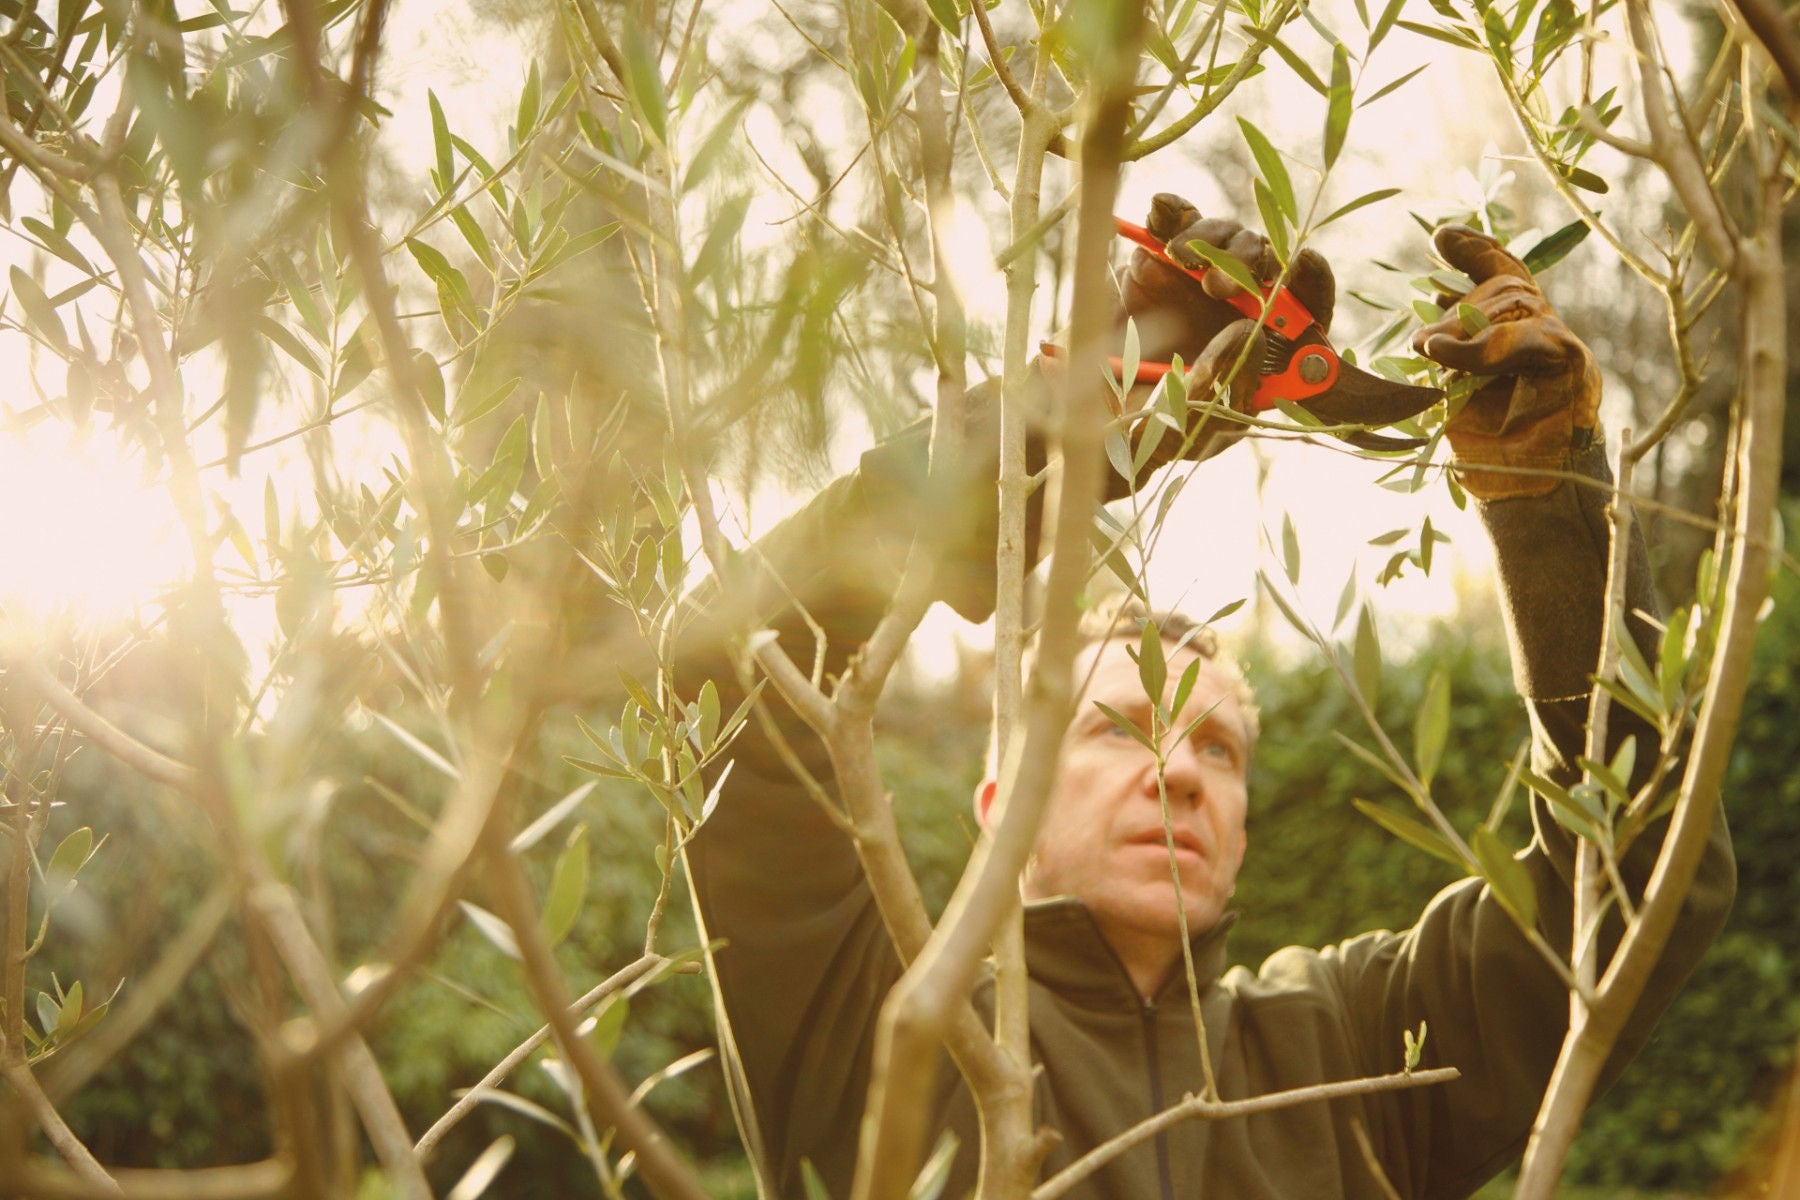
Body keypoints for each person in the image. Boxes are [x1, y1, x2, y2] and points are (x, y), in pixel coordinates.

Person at [679, 195, 1736, 1199]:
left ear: (1242, 824)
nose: (1178, 770)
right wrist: (1071, 426)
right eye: (1119, 729)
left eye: (1220, 750)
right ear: (1002, 805)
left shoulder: (1355, 1052)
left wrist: (1552, 510)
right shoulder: (875, 1018)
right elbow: (722, 674)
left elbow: (1645, 871)